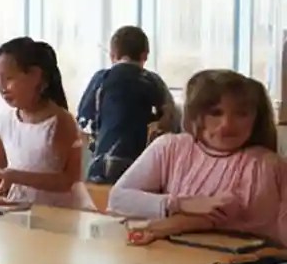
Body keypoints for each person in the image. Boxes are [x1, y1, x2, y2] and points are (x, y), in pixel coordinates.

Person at [109, 70, 286, 245]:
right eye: (215, 113)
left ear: (256, 118)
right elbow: (117, 200)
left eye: (241, 114)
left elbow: (219, 215)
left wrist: (159, 226)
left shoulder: (265, 163)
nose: (227, 124)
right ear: (194, 115)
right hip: (176, 258)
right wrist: (179, 204)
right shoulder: (170, 147)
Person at [0, 37, 92, 210]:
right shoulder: (4, 121)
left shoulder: (60, 121)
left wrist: (15, 176)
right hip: (19, 210)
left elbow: (68, 180)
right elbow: (0, 162)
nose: (1, 87)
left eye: (9, 78)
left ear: (35, 76)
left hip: (58, 214)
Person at [77, 26, 178, 183]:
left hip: (102, 165)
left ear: (112, 55)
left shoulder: (101, 79)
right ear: (145, 55)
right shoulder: (153, 81)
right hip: (141, 166)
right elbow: (170, 120)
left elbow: (83, 120)